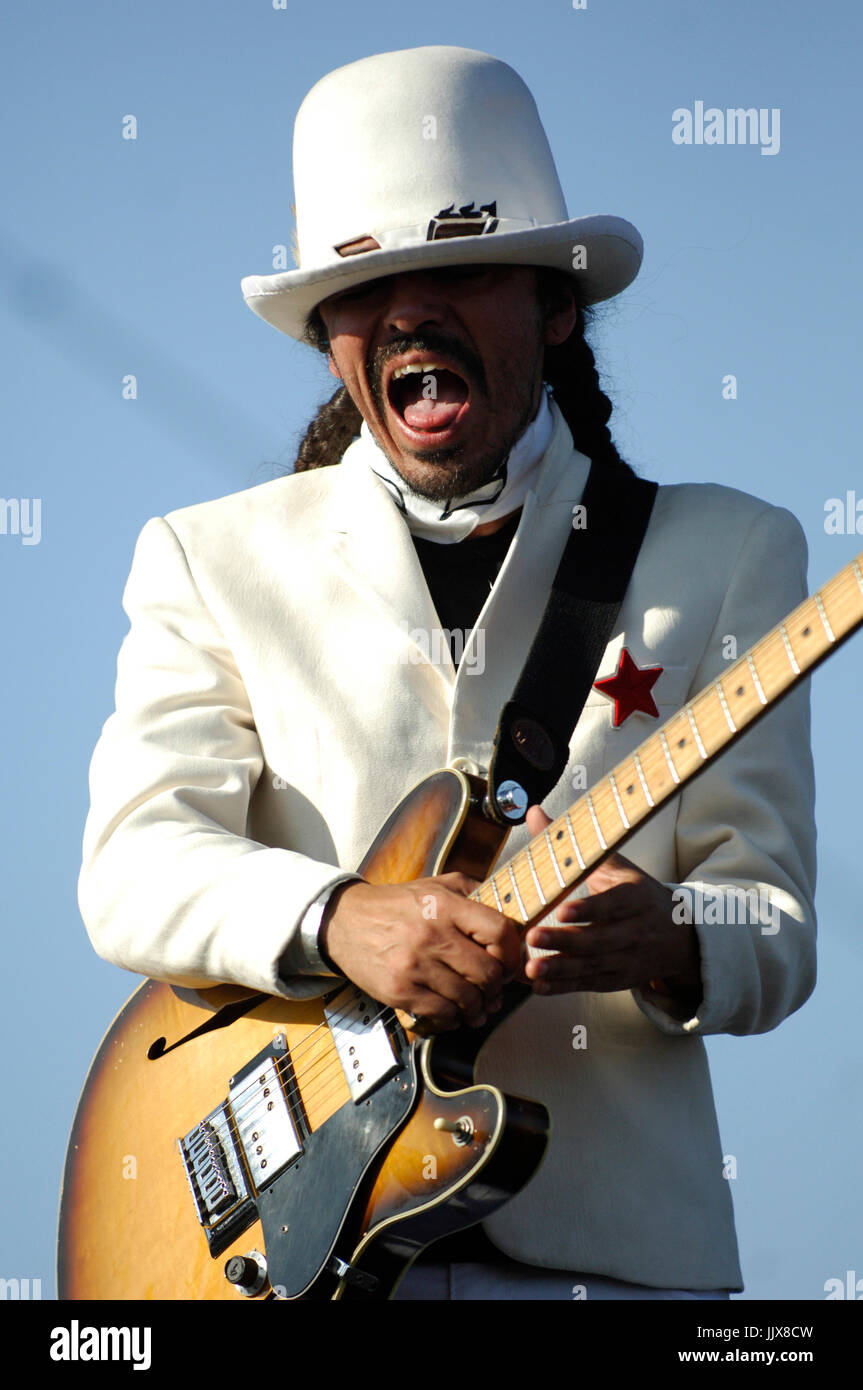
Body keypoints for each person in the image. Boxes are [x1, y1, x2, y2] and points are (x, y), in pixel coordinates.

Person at [78, 45, 816, 1300]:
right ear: (328, 343)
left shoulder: (735, 550)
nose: (410, 312)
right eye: (365, 289)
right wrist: (336, 920)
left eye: (459, 270)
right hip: (289, 1260)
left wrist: (675, 938)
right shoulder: (205, 560)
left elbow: (777, 919)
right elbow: (134, 866)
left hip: (619, 1265)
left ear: (557, 306)